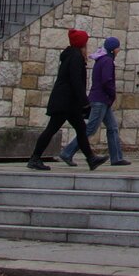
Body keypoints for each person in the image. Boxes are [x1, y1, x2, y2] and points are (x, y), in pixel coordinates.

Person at [28, 27, 103, 171]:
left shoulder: (71, 55)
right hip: (65, 102)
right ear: (82, 44)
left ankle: (91, 158)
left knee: (81, 129)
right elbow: (76, 81)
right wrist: (85, 103)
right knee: (52, 129)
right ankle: (35, 158)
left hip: (68, 102)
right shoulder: (76, 57)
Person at [61, 35, 128, 167]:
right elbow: (106, 81)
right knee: (90, 129)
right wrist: (112, 94)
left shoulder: (101, 60)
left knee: (113, 127)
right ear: (113, 49)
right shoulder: (107, 61)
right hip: (101, 100)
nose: (119, 50)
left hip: (102, 100)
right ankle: (67, 152)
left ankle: (117, 158)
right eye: (118, 48)